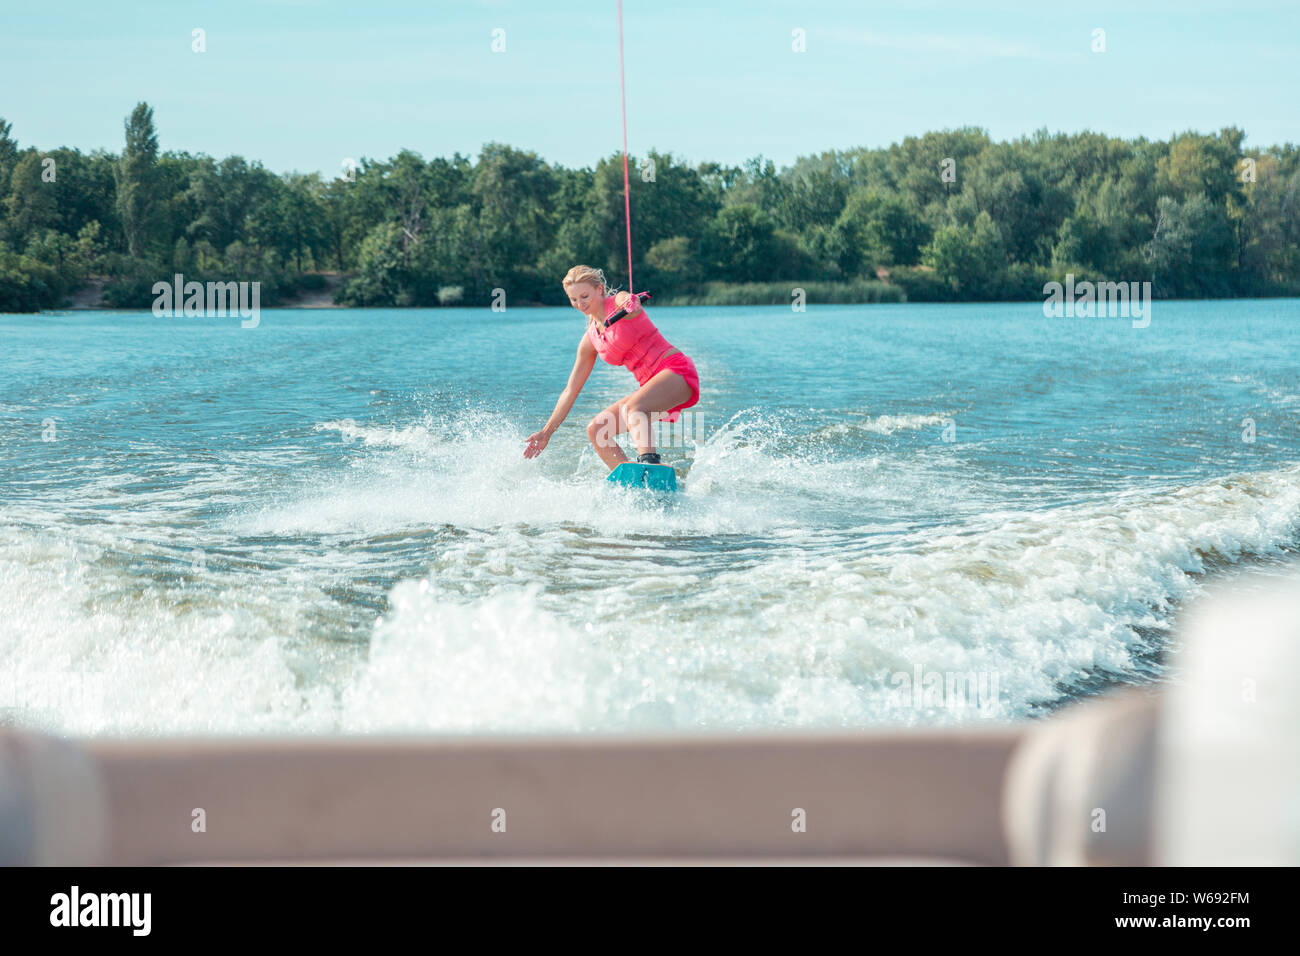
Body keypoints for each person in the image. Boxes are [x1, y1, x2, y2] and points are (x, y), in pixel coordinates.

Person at [524, 265, 700, 471]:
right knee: (597, 429)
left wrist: (630, 302)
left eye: (584, 296)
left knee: (633, 407)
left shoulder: (618, 306)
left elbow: (625, 297)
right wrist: (546, 432)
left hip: (676, 372)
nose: (580, 304)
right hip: (652, 389)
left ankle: (651, 466)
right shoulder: (590, 340)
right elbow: (570, 391)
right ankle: (633, 482)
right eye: (573, 300)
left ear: (599, 289)